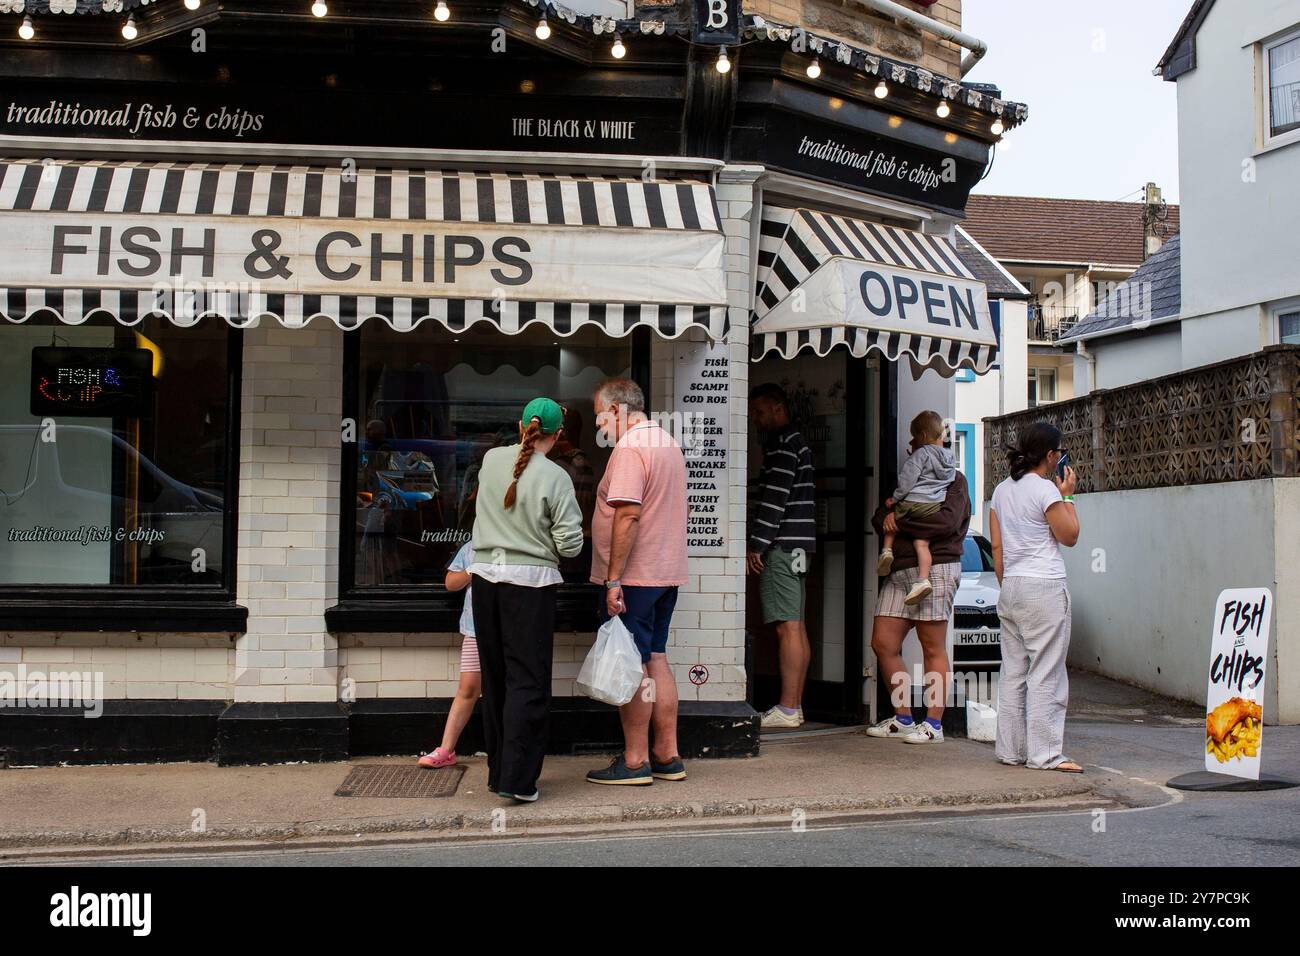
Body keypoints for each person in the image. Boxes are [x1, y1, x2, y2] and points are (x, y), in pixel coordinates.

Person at [470, 398, 584, 802]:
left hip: (484, 578)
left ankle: (498, 771)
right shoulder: (557, 477)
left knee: (496, 677)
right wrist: (544, 540)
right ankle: (518, 781)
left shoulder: (490, 461)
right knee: (528, 681)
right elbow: (570, 545)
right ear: (558, 435)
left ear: (521, 425)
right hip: (530, 585)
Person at [585, 379, 689, 786]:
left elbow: (627, 515)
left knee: (633, 665)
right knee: (656, 658)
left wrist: (613, 579)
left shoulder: (630, 449)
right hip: (666, 573)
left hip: (636, 577)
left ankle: (633, 761)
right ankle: (668, 755)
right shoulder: (667, 442)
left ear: (616, 410)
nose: (599, 423)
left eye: (599, 414)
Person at [989, 422, 1082, 773]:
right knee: (1046, 672)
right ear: (1051, 456)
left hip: (1011, 585)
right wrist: (1069, 495)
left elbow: (997, 546)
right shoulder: (1045, 491)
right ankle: (1045, 754)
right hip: (1043, 586)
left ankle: (1010, 750)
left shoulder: (1001, 491)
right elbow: (1070, 535)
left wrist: (1007, 582)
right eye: (1059, 453)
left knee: (1014, 671)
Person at [866, 465, 971, 744]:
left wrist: (899, 520)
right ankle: (903, 718)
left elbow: (945, 523)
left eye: (919, 444)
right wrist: (892, 518)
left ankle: (934, 725)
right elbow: (879, 517)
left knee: (932, 646)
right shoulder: (907, 478)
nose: (913, 451)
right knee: (883, 643)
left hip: (936, 568)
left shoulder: (954, 480)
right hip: (899, 571)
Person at [747, 383, 817, 730]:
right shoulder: (799, 442)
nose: (756, 420)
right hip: (801, 545)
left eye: (760, 411)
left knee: (786, 627)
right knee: (797, 625)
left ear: (777, 407)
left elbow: (775, 497)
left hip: (782, 545)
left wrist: (757, 543)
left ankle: (788, 708)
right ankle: (796, 705)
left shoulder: (783, 445)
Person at [877, 411, 956, 607]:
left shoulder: (922, 454)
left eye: (914, 437)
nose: (911, 442)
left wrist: (894, 500)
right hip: (933, 505)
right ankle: (922, 580)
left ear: (922, 436)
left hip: (913, 501)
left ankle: (886, 551)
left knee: (893, 517)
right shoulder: (950, 459)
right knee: (921, 543)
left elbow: (907, 481)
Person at [417, 539, 480, 769]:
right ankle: (446, 749)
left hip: (507, 631)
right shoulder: (471, 547)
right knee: (467, 689)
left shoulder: (514, 544)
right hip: (475, 630)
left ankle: (506, 749)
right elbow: (451, 583)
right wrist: (473, 570)